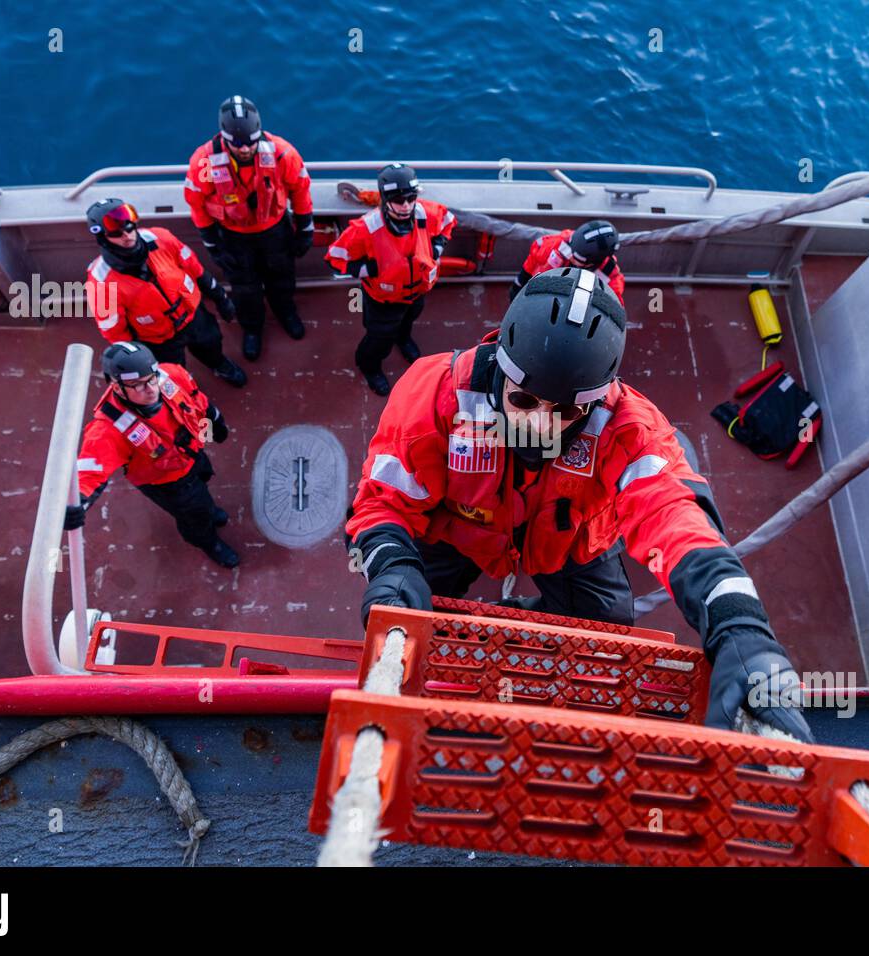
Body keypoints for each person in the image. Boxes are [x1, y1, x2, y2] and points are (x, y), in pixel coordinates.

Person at [344, 267, 810, 740]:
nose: (541, 428)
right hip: (459, 531)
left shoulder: (629, 426)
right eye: (524, 401)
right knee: (410, 602)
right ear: (499, 366)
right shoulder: (436, 394)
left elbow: (673, 511)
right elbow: (382, 505)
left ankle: (534, 613)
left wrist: (740, 625)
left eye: (566, 412)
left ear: (595, 399)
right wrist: (390, 567)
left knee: (606, 637)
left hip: (571, 545)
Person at [65, 343, 239, 568]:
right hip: (168, 484)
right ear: (118, 388)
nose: (150, 389)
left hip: (194, 456)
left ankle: (209, 510)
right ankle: (208, 542)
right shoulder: (108, 430)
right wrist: (75, 505)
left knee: (203, 486)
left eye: (151, 379)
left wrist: (215, 420)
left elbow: (197, 399)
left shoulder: (172, 374)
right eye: (137, 385)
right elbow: (89, 473)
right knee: (194, 517)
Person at [185, 95, 314, 361]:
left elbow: (300, 191)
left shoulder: (281, 154)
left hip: (275, 231)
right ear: (224, 137)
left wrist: (305, 229)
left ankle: (286, 312)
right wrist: (212, 244)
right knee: (245, 288)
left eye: (251, 142)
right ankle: (252, 329)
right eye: (237, 143)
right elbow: (197, 205)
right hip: (234, 236)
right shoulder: (204, 163)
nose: (245, 149)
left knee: (282, 277)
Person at [325, 163, 457, 397]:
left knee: (408, 321)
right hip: (382, 300)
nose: (406, 205)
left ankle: (403, 338)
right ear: (385, 199)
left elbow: (447, 221)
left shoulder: (427, 213)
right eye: (398, 200)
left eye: (410, 198)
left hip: (416, 293)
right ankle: (369, 366)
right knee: (378, 338)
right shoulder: (366, 229)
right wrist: (368, 269)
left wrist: (437, 246)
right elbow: (335, 258)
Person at [84, 199, 246, 388]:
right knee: (173, 373)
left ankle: (219, 364)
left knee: (211, 343)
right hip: (157, 339)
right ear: (102, 238)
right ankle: (185, 389)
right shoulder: (100, 282)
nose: (127, 235)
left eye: (129, 228)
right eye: (116, 233)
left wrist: (220, 297)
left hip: (194, 317)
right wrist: (136, 355)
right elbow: (114, 331)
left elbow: (194, 268)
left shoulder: (161, 238)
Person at [508, 220, 625, 304]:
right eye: (571, 250)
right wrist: (519, 283)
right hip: (541, 296)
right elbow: (534, 256)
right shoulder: (555, 245)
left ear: (593, 262)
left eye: (578, 258)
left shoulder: (610, 276)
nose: (571, 256)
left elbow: (614, 305)